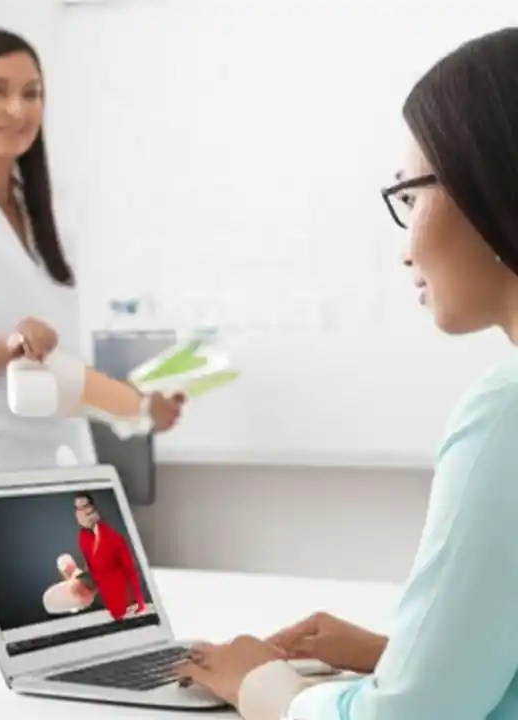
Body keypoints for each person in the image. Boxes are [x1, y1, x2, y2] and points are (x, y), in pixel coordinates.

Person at [174, 27, 518, 720]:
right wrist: (408, 654)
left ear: (488, 178)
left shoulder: (504, 417)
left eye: (411, 197)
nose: (403, 251)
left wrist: (259, 685)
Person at [0, 27, 186, 595]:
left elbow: (57, 371)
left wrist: (142, 410)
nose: (17, 109)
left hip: (59, 489)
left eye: (31, 92)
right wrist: (0, 352)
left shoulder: (40, 215)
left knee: (90, 663)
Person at [71, 493, 144, 621]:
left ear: (94, 510)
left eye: (85, 507)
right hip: (103, 600)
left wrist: (139, 601)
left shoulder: (113, 536)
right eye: (78, 509)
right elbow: (91, 568)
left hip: (123, 598)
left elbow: (130, 569)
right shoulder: (83, 537)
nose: (81, 512)